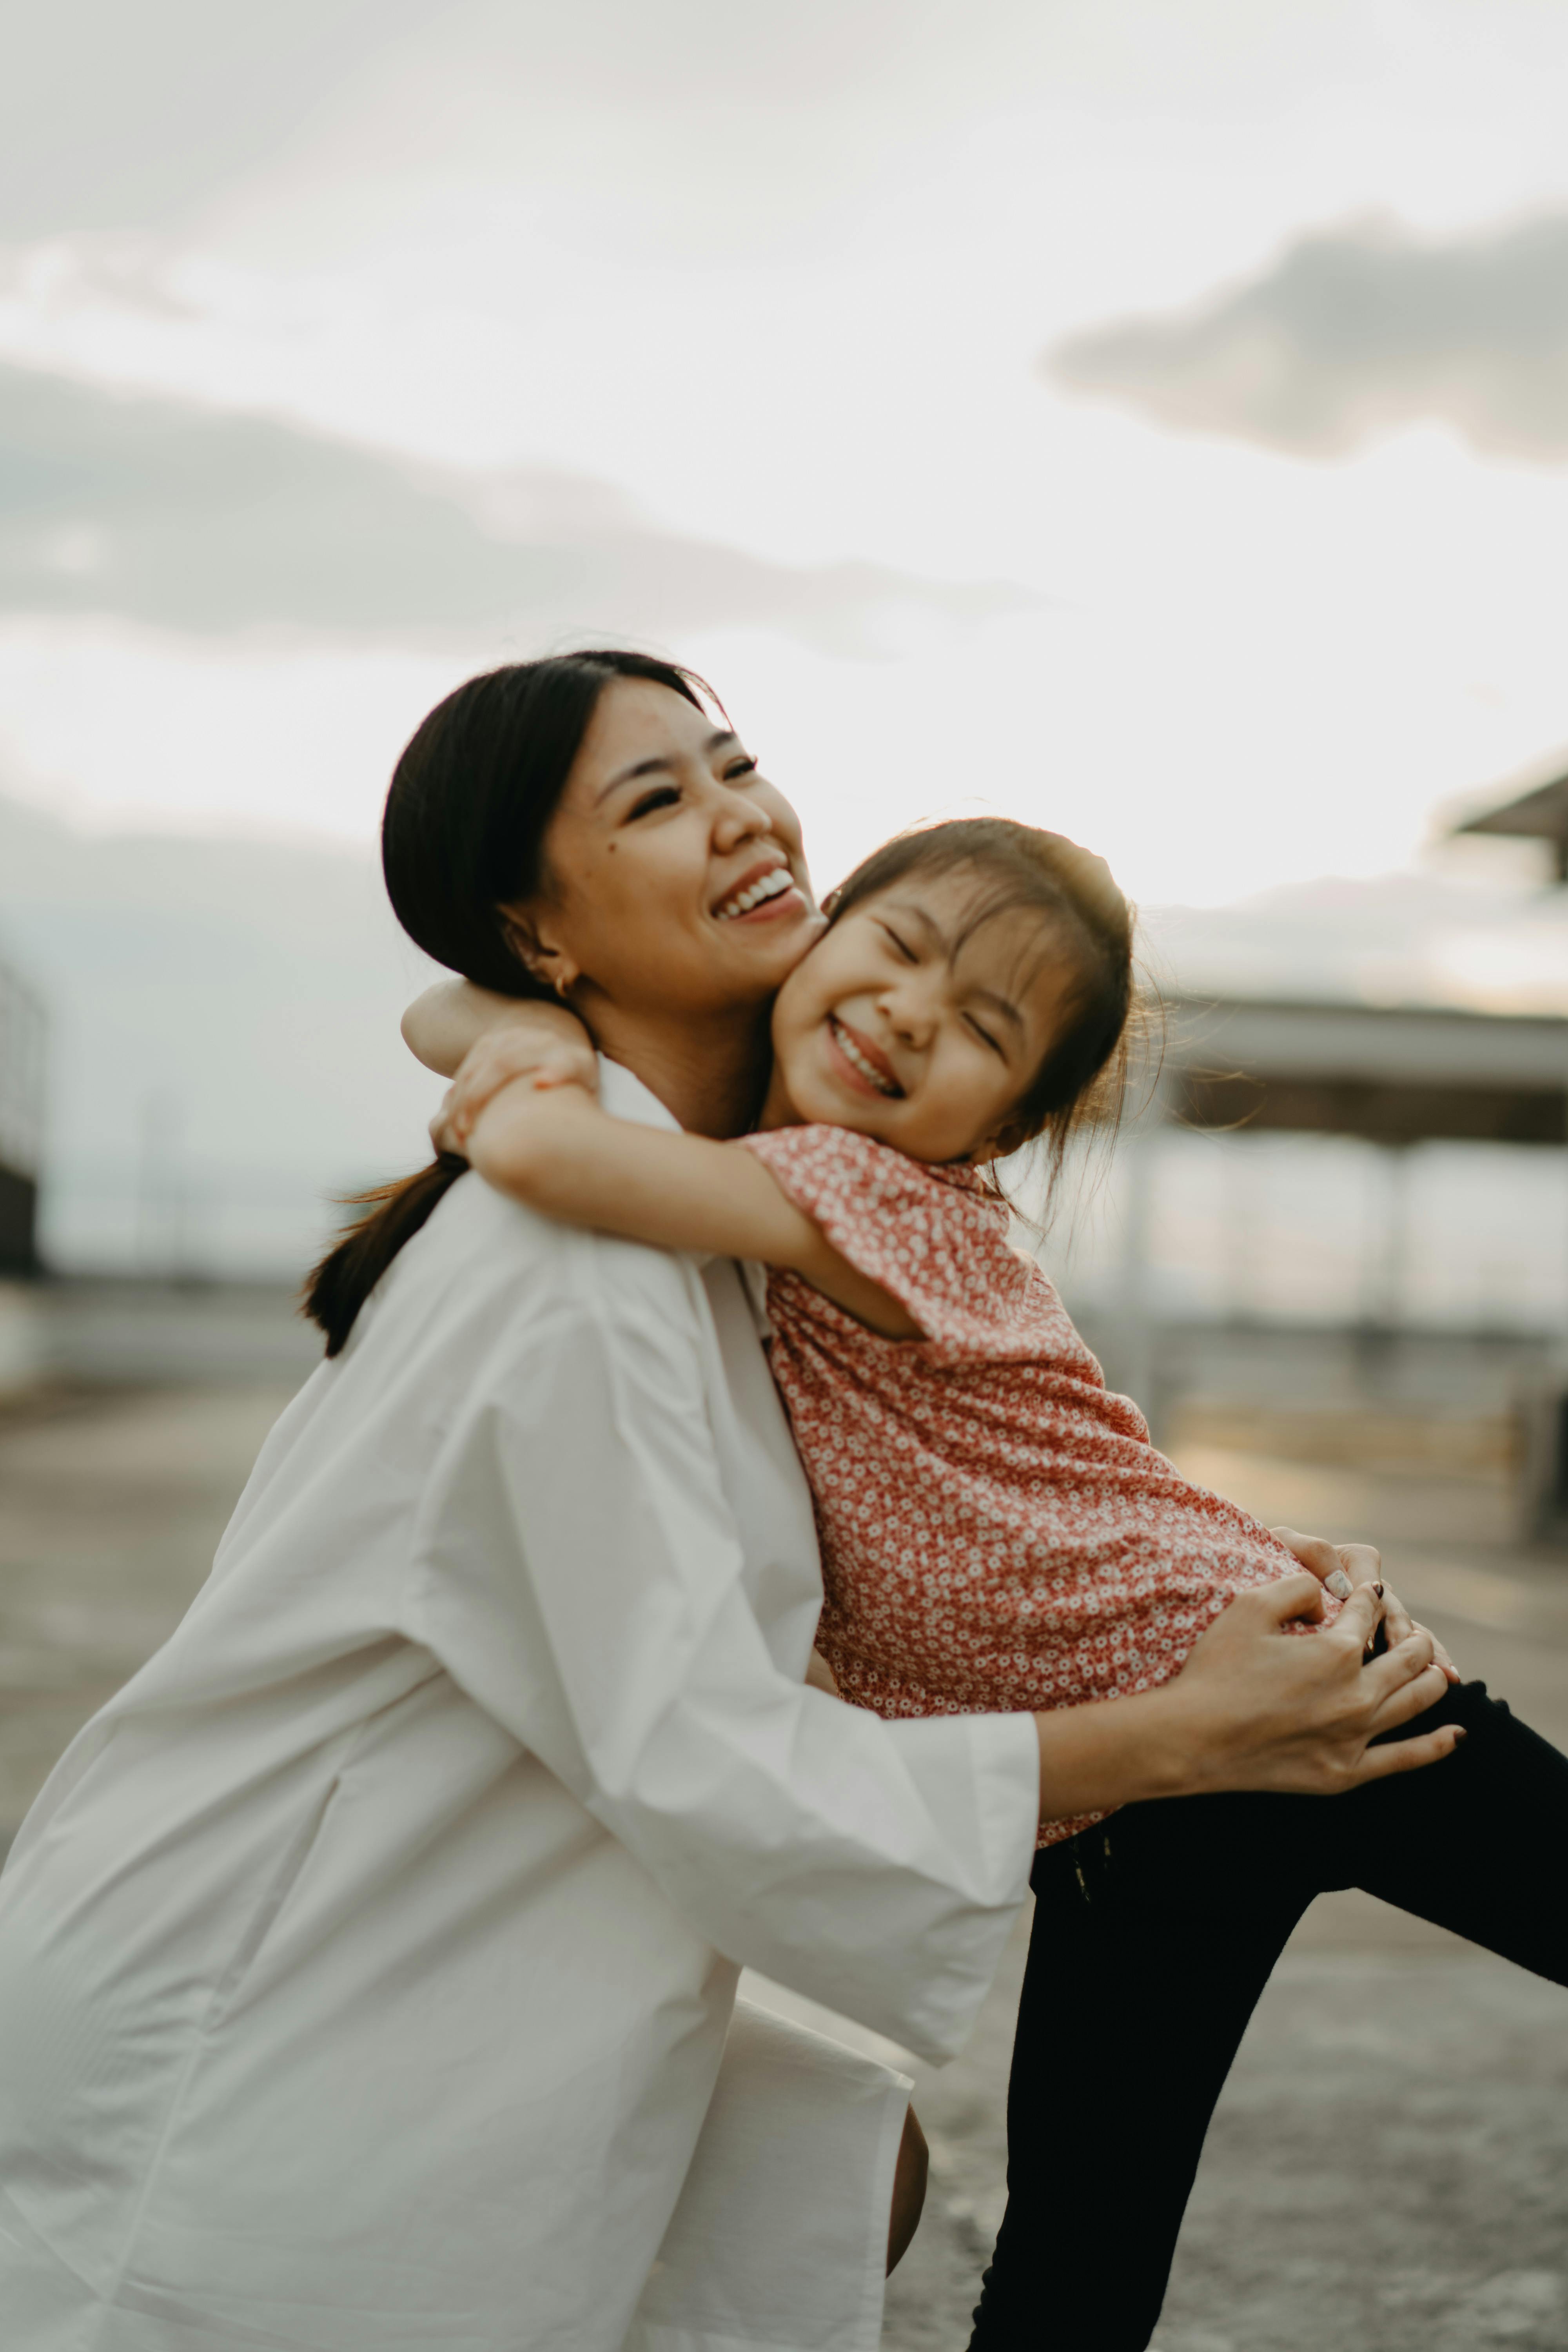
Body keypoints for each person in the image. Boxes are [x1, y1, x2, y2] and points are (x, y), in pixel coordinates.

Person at [0, 653, 1448, 2352]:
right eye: (655, 801)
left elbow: (992, 1473)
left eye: (733, 762)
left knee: (846, 2166)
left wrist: (1222, 1563)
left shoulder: (736, 1218)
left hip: (464, 1918)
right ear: (542, 929)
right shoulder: (568, 1273)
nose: (739, 816)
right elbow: (704, 1757)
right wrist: (1179, 1735)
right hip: (289, 1979)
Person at [423, 802, 1568, 2350]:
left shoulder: (870, 1197)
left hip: (1310, 1693)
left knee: (1077, 2260)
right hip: (1137, 1810)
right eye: (896, 947)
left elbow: (545, 1154)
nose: (908, 1016)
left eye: (982, 1028)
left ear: (1000, 1129)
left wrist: (524, 1055)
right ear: (820, 928)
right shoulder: (788, 1183)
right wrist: (509, 1023)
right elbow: (441, 1018)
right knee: (1073, 2263)